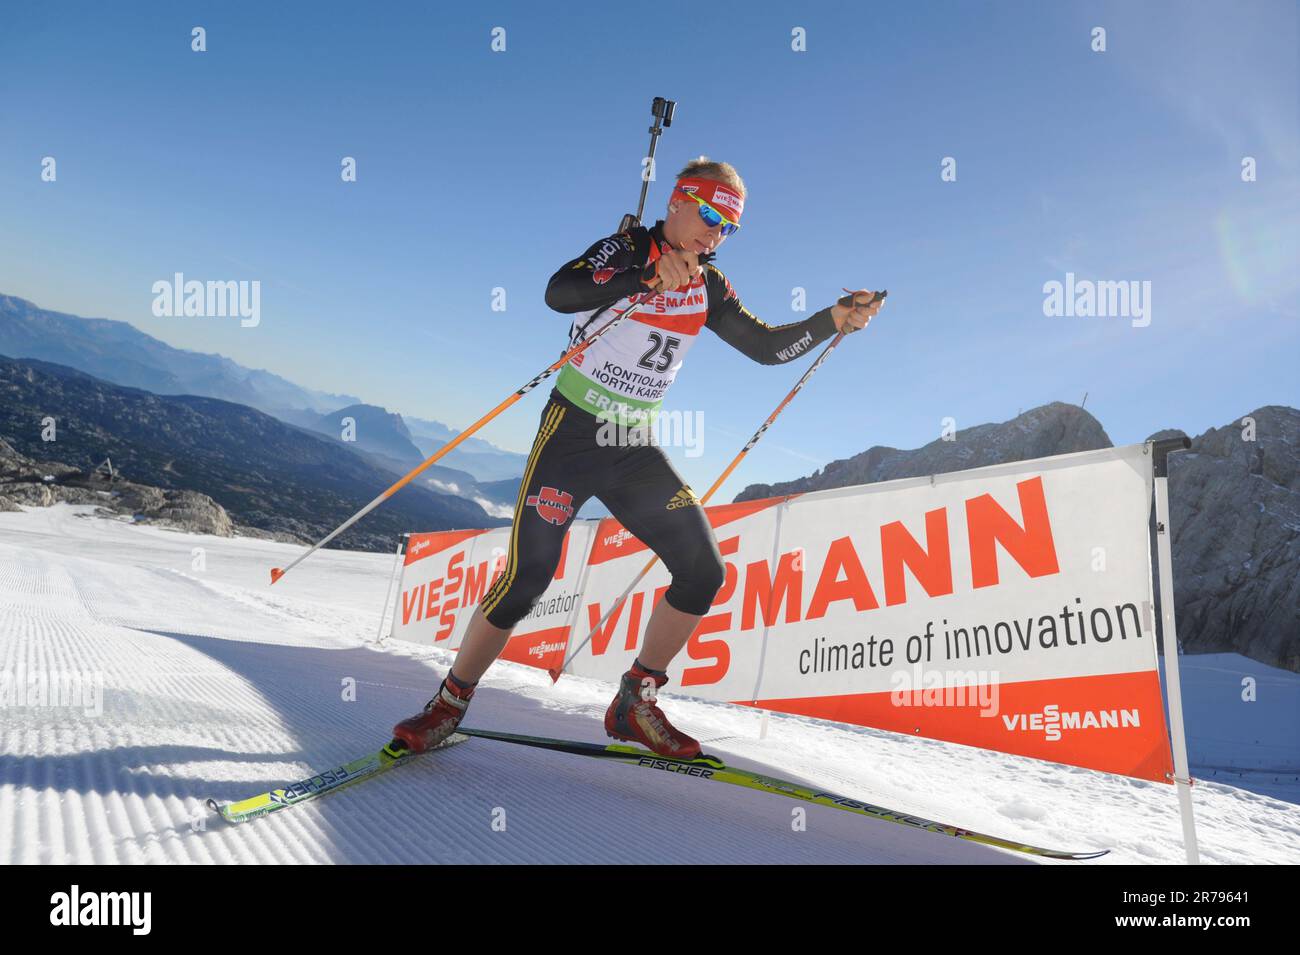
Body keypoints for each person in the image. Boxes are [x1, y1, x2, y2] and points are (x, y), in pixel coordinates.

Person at [394, 158, 884, 758]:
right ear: (678, 202)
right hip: (571, 434)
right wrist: (646, 278)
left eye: (728, 227)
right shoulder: (627, 248)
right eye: (708, 215)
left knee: (703, 569)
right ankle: (449, 702)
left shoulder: (710, 285)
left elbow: (766, 347)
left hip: (632, 445)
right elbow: (559, 292)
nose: (714, 234)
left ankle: (635, 702)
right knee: (527, 578)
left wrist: (833, 319)